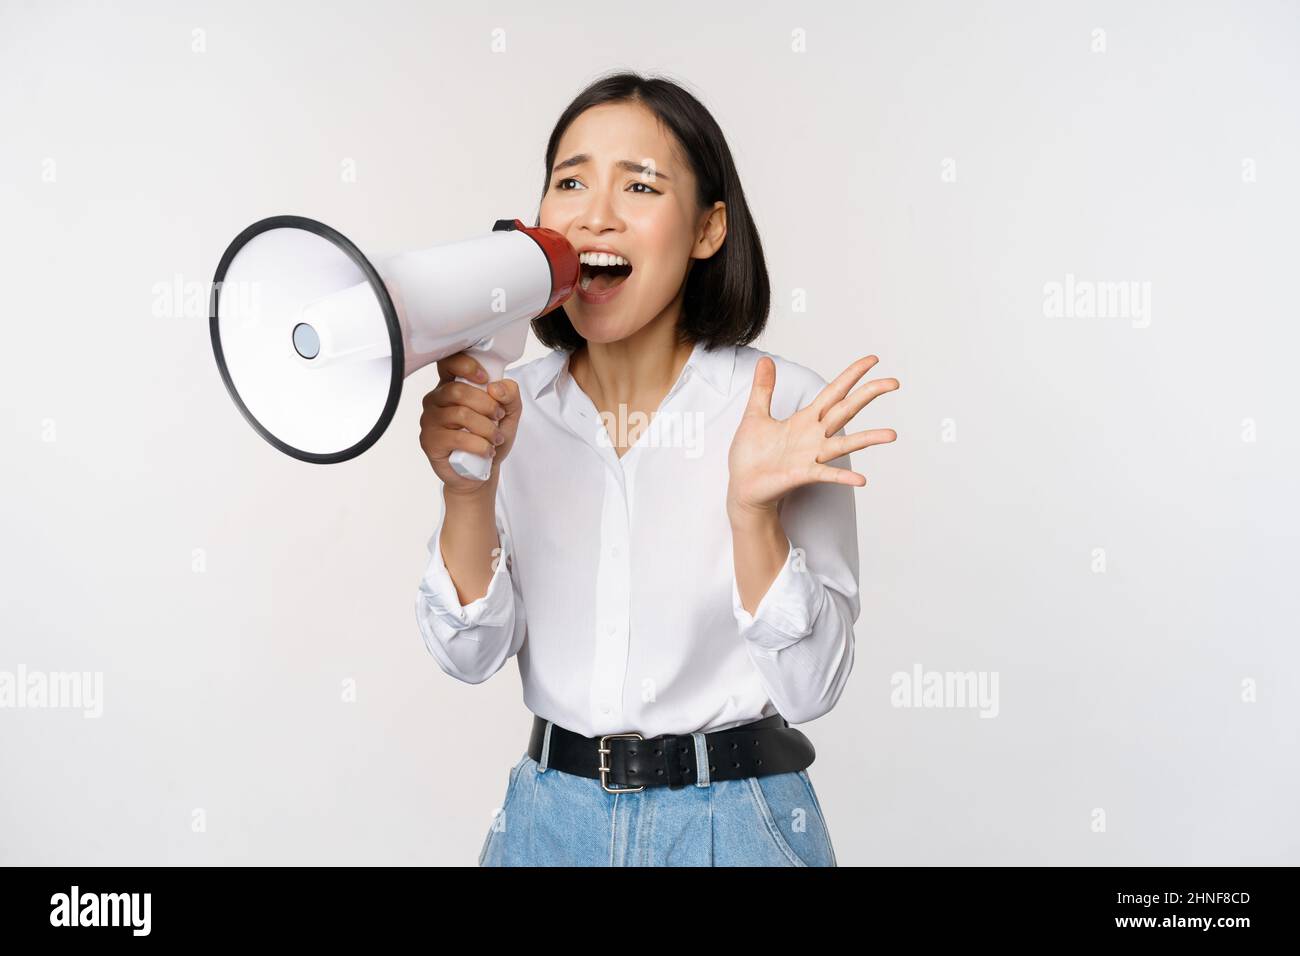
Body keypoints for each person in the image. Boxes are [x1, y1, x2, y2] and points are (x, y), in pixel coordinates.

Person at [416, 71, 899, 866]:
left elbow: (812, 690)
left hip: (735, 822)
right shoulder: (510, 411)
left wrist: (752, 514)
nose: (595, 213)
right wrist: (469, 492)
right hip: (546, 821)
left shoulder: (779, 410)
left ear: (708, 230)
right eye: (570, 181)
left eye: (640, 186)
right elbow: (467, 656)